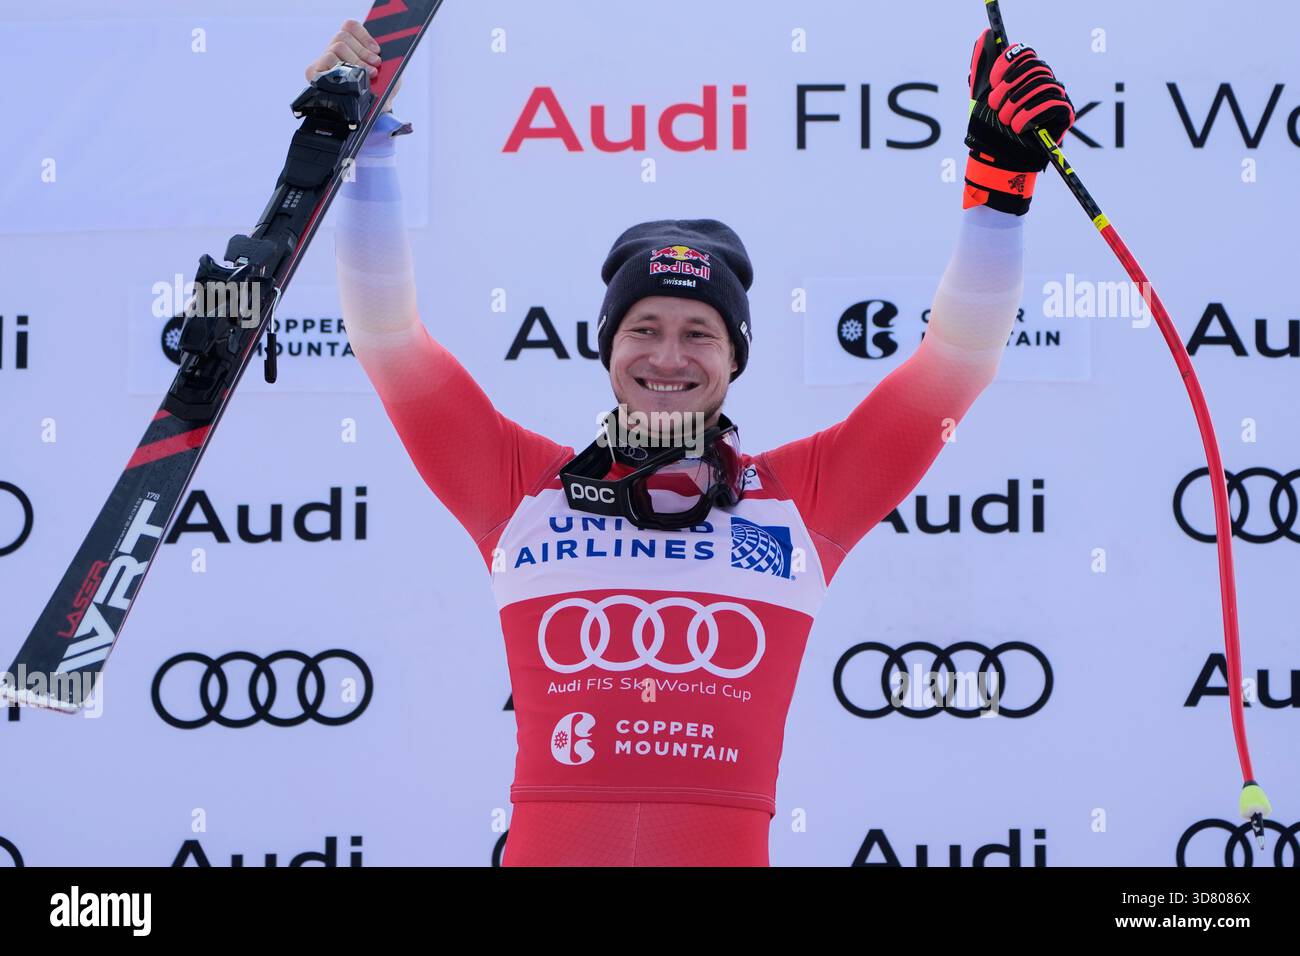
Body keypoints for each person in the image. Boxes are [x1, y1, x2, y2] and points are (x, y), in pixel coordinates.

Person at [309, 21, 1075, 866]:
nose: (668, 356)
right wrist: (367, 147)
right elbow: (388, 337)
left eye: (700, 335)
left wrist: (999, 191)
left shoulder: (802, 502)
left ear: (735, 358)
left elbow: (956, 362)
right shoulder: (522, 487)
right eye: (644, 328)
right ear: (608, 348)